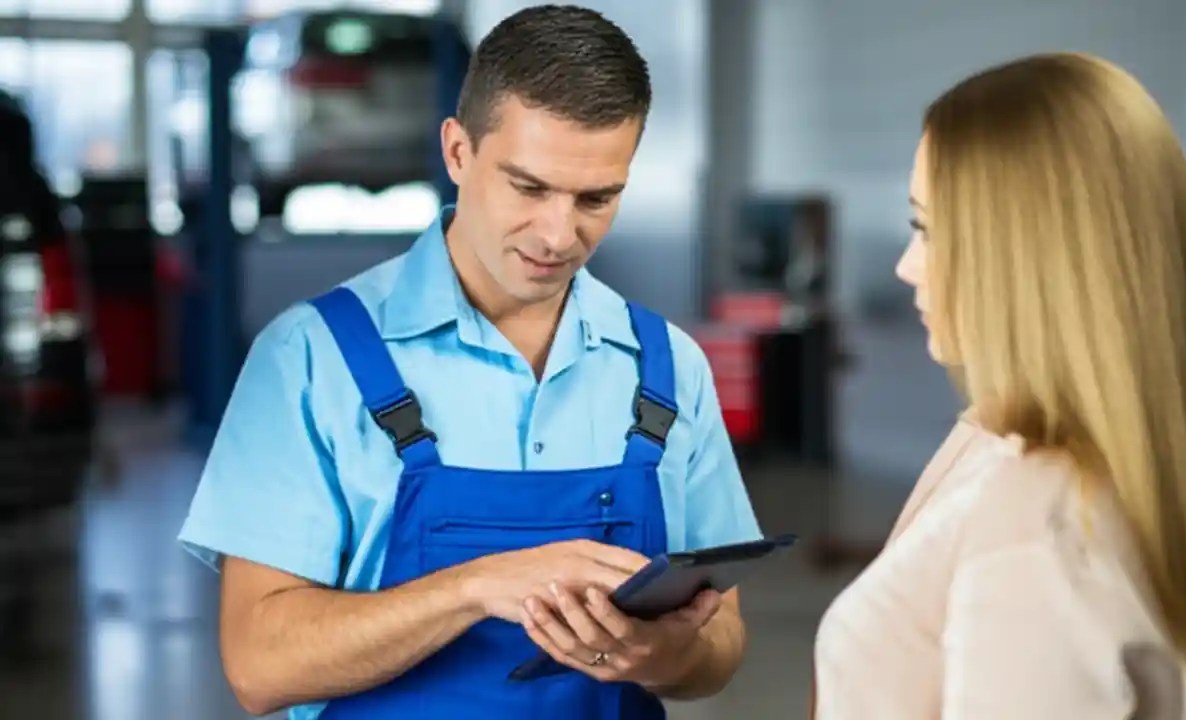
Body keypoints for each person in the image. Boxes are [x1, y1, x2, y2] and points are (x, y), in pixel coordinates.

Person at [177, 6, 762, 719]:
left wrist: (669, 658)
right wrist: (474, 588)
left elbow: (723, 638)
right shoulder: (308, 359)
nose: (559, 234)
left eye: (596, 198)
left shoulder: (667, 369)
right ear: (458, 152)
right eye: (529, 187)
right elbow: (259, 665)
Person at [811, 52, 1186, 718]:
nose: (908, 267)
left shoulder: (1041, 524)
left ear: (1026, 255)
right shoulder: (1029, 451)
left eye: (928, 229)